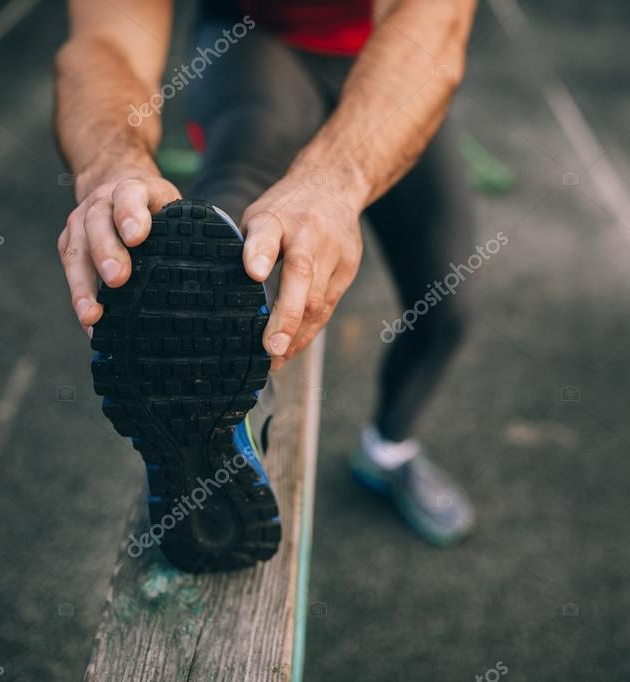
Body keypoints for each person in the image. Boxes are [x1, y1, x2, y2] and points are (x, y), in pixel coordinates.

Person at [54, 0, 477, 572]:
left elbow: (433, 24)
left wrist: (334, 182)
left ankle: (387, 452)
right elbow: (106, 42)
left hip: (396, 50)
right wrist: (112, 167)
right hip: (254, 41)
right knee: (233, 236)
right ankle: (220, 411)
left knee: (447, 304)